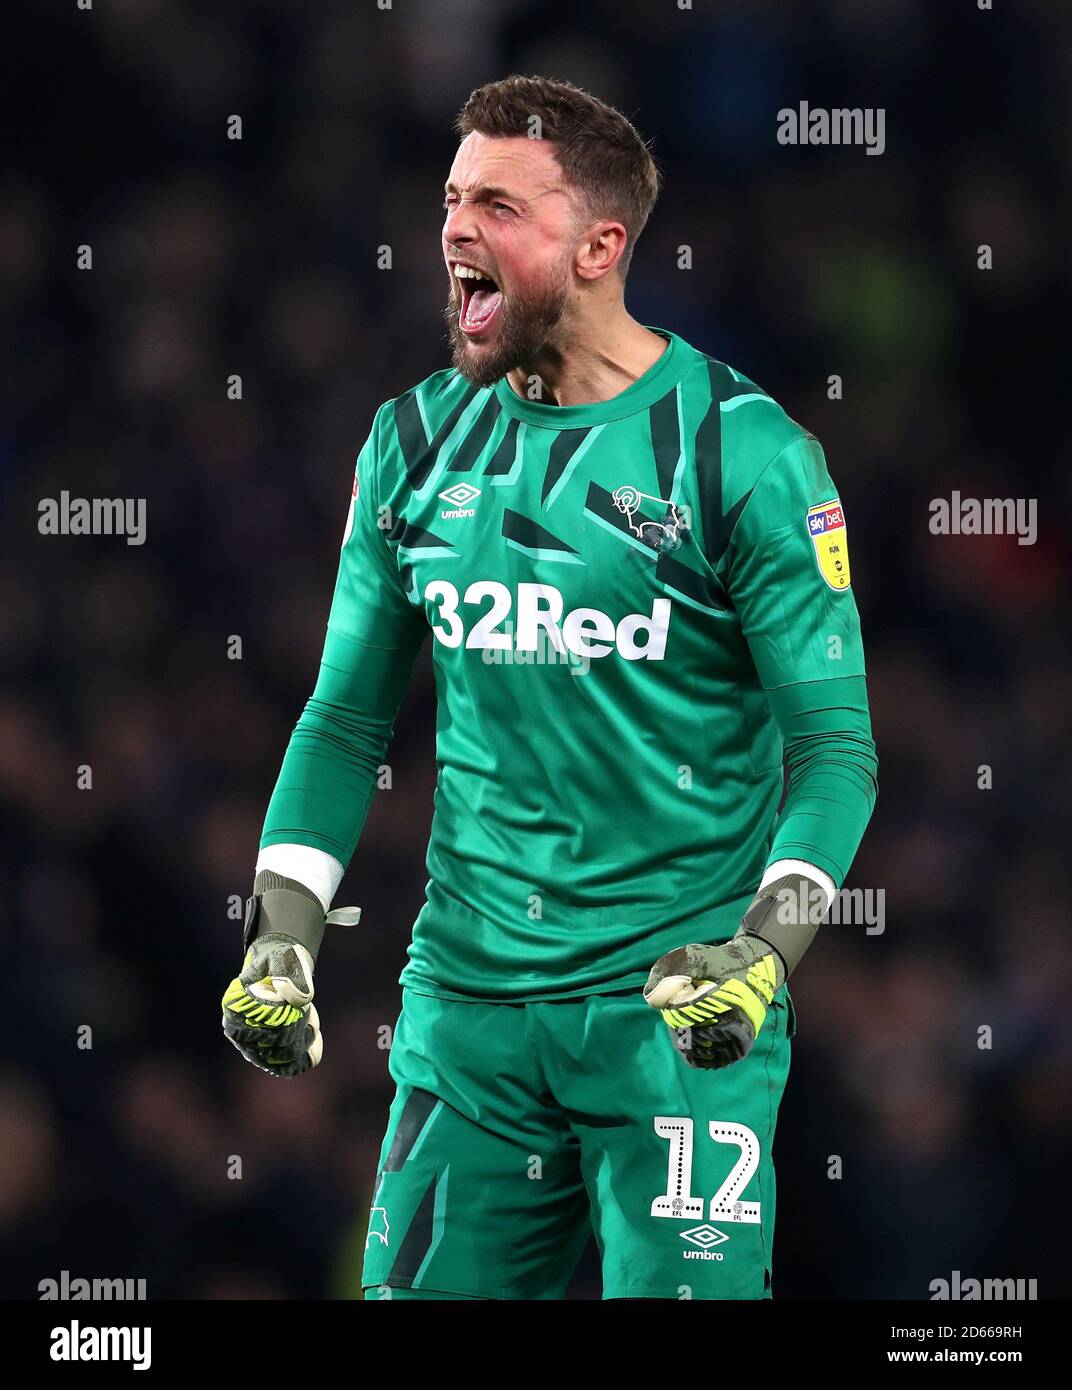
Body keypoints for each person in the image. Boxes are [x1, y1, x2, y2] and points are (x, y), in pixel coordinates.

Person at [222, 74, 878, 1301]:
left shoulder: (745, 453)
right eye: (450, 200)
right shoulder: (410, 444)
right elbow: (343, 719)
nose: (455, 230)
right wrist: (281, 936)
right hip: (465, 1016)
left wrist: (766, 948)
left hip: (678, 1020)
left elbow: (834, 747)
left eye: (498, 206)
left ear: (598, 245)